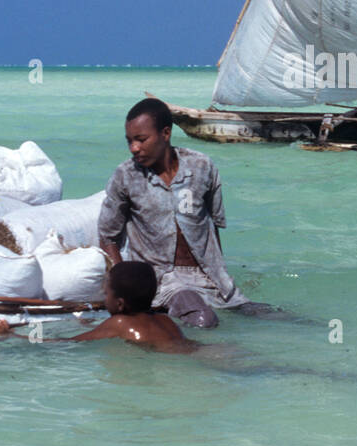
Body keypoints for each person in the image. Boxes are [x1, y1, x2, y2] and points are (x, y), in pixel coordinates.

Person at [98, 98, 272, 322]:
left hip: (212, 278)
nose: (134, 148)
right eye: (129, 141)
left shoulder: (202, 166)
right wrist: (125, 289)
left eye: (141, 140)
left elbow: (212, 226)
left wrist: (222, 275)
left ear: (166, 133)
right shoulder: (126, 176)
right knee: (203, 319)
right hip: (165, 282)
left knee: (273, 317)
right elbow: (108, 237)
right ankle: (219, 356)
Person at [0, 262, 193, 353]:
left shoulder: (120, 322)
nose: (104, 298)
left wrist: (12, 335)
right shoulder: (164, 320)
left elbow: (67, 342)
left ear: (120, 304)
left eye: (106, 293)